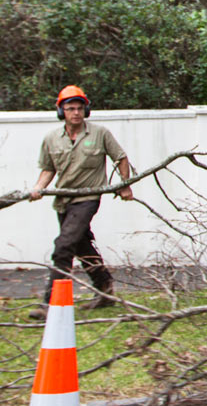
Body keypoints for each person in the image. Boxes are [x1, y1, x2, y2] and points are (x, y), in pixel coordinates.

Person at [29, 85, 133, 320]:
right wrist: (38, 188)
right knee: (82, 246)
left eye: (79, 108)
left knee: (63, 247)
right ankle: (105, 288)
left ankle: (50, 304)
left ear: (86, 110)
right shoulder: (51, 138)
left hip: (88, 198)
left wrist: (125, 184)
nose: (75, 112)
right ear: (61, 111)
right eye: (70, 108)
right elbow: (48, 169)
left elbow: (121, 157)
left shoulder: (100, 133)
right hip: (64, 200)